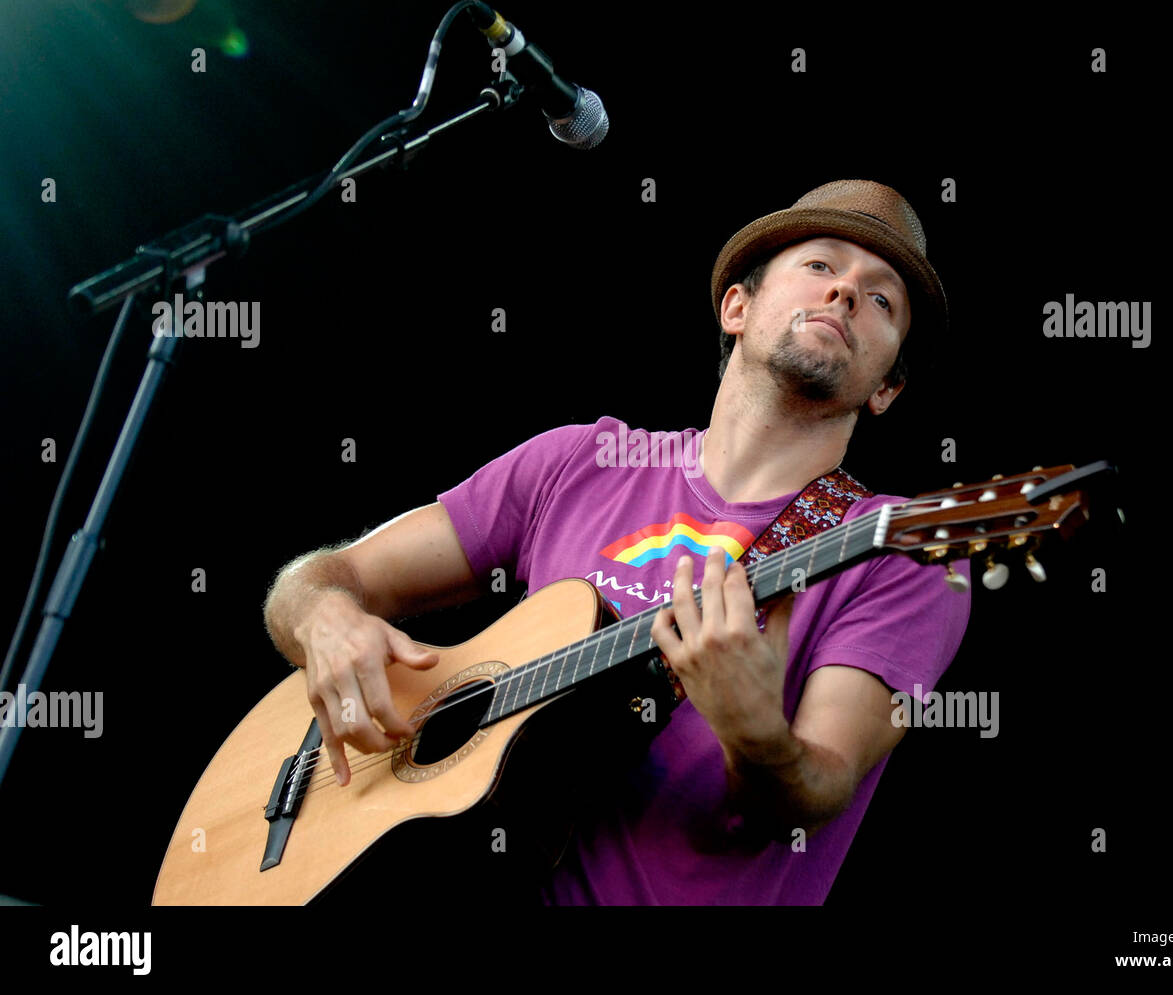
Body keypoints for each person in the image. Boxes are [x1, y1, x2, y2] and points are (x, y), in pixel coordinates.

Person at [263, 179, 971, 905]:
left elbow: (817, 788)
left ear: (887, 386)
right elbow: (320, 579)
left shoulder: (908, 555)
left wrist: (757, 734)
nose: (847, 293)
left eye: (882, 298)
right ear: (737, 305)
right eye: (821, 265)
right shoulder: (579, 460)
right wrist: (326, 619)